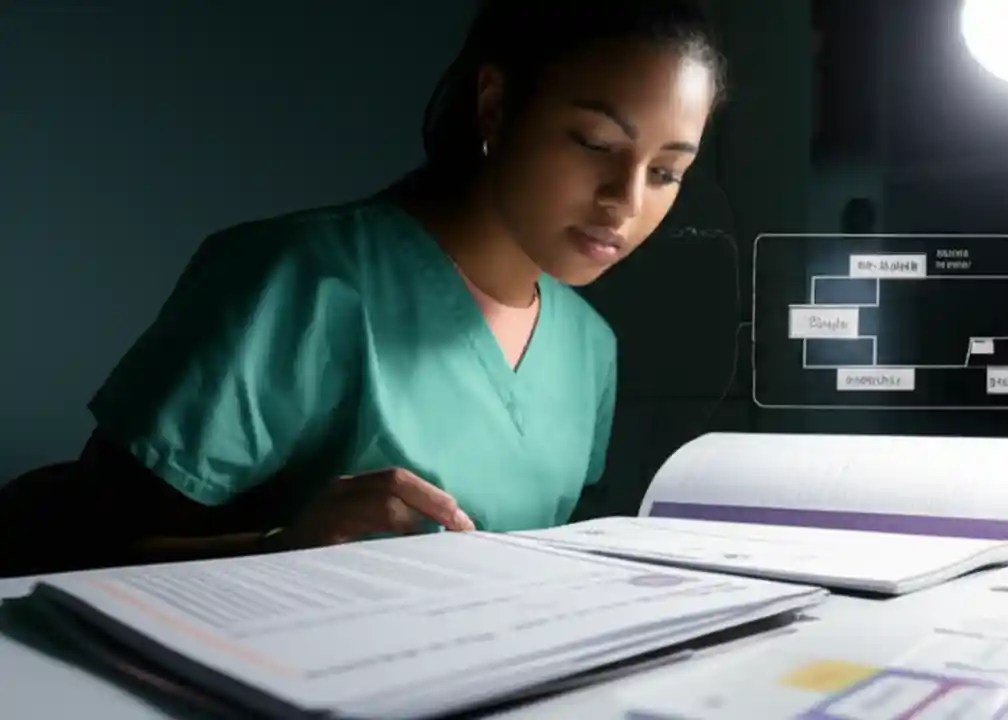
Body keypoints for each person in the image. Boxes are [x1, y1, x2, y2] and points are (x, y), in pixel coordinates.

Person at [0, 0, 726, 577]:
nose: (627, 201)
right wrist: (284, 549)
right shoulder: (299, 281)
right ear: (496, 106)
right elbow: (65, 551)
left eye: (666, 172)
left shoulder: (589, 349)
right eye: (596, 144)